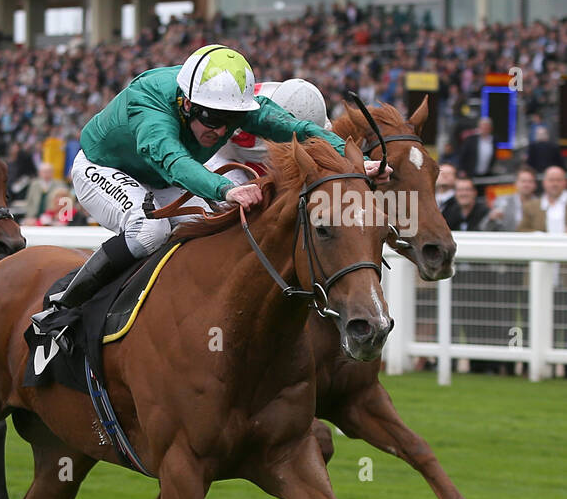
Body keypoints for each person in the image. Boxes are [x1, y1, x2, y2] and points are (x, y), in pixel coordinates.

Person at [34, 45, 388, 347]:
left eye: (230, 120)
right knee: (150, 232)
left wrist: (355, 158)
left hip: (158, 174)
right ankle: (62, 307)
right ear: (186, 104)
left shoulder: (227, 106)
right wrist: (226, 188)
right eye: (211, 118)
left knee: (213, 231)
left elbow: (297, 129)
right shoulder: (150, 105)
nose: (220, 130)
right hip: (103, 169)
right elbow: (173, 161)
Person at [481, 167, 544, 233]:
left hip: (532, 241)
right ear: (516, 183)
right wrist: (491, 219)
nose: (526, 185)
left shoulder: (541, 204)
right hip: (507, 240)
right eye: (523, 181)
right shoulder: (502, 201)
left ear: (535, 185)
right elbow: (484, 228)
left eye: (530, 181)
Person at [541, 165, 566, 235]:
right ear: (544, 182)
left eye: (558, 180)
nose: (555, 184)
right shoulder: (531, 206)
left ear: (565, 182)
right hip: (541, 245)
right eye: (551, 180)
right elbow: (522, 229)